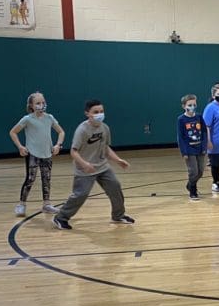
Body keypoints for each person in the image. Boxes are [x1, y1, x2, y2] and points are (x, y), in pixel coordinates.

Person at [52, 100, 134, 230]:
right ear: (87, 114)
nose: (99, 114)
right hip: (85, 169)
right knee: (80, 195)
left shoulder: (105, 128)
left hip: (102, 166)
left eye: (101, 111)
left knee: (115, 187)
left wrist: (118, 160)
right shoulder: (82, 130)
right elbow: (73, 152)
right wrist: (84, 164)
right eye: (96, 112)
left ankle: (118, 216)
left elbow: (106, 148)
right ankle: (60, 217)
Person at [9, 91, 64, 217]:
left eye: (43, 102)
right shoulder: (27, 119)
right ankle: (21, 204)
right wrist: (20, 147)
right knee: (30, 179)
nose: (41, 105)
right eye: (38, 103)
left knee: (47, 179)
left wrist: (58, 145)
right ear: (32, 106)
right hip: (32, 154)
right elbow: (13, 132)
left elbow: (61, 132)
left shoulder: (49, 118)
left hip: (47, 154)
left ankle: (47, 204)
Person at [177, 94, 206, 201]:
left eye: (194, 104)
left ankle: (190, 184)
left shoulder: (199, 117)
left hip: (200, 148)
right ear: (184, 106)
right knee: (193, 171)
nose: (192, 106)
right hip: (189, 150)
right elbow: (180, 137)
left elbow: (203, 132)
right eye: (190, 105)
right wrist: (184, 152)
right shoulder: (181, 119)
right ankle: (193, 191)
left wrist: (204, 146)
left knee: (200, 171)